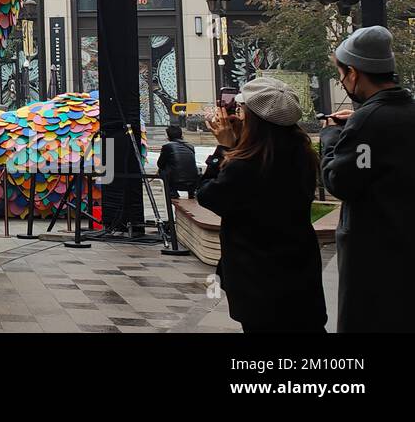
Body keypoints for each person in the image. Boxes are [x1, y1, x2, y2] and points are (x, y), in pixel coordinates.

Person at [197, 76, 326, 334]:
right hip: (299, 270)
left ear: (254, 120)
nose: (237, 115)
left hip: (258, 279)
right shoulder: (301, 153)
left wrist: (224, 148)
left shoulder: (247, 166)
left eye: (241, 110)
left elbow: (207, 195)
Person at [321, 25, 415, 333]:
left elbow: (341, 181)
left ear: (353, 72)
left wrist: (333, 135)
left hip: (372, 257)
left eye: (341, 72)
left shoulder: (367, 122)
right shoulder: (405, 111)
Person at [157, 125, 199, 199]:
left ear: (168, 136)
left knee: (162, 170)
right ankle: (191, 193)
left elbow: (160, 164)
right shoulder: (190, 146)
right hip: (193, 182)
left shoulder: (167, 147)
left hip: (176, 182)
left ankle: (172, 192)